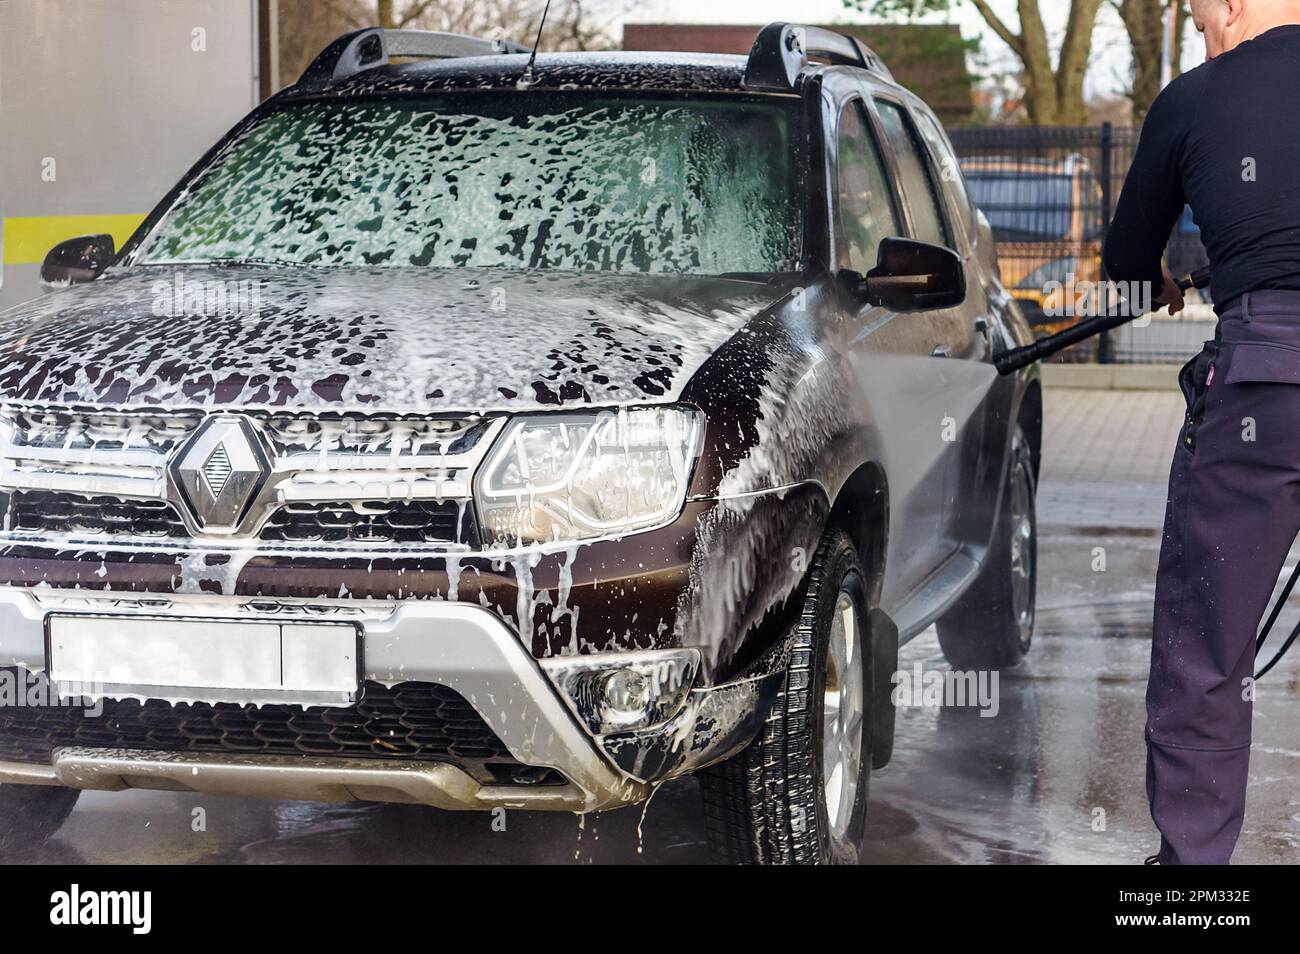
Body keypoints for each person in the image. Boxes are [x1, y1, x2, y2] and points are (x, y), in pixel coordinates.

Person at [1102, 0, 1300, 864]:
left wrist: (1161, 281)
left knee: (1205, 647)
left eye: (1199, 18)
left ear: (1230, 5)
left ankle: (1192, 884)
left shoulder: (1192, 100)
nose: (1200, 35)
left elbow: (1124, 267)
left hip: (1267, 378)